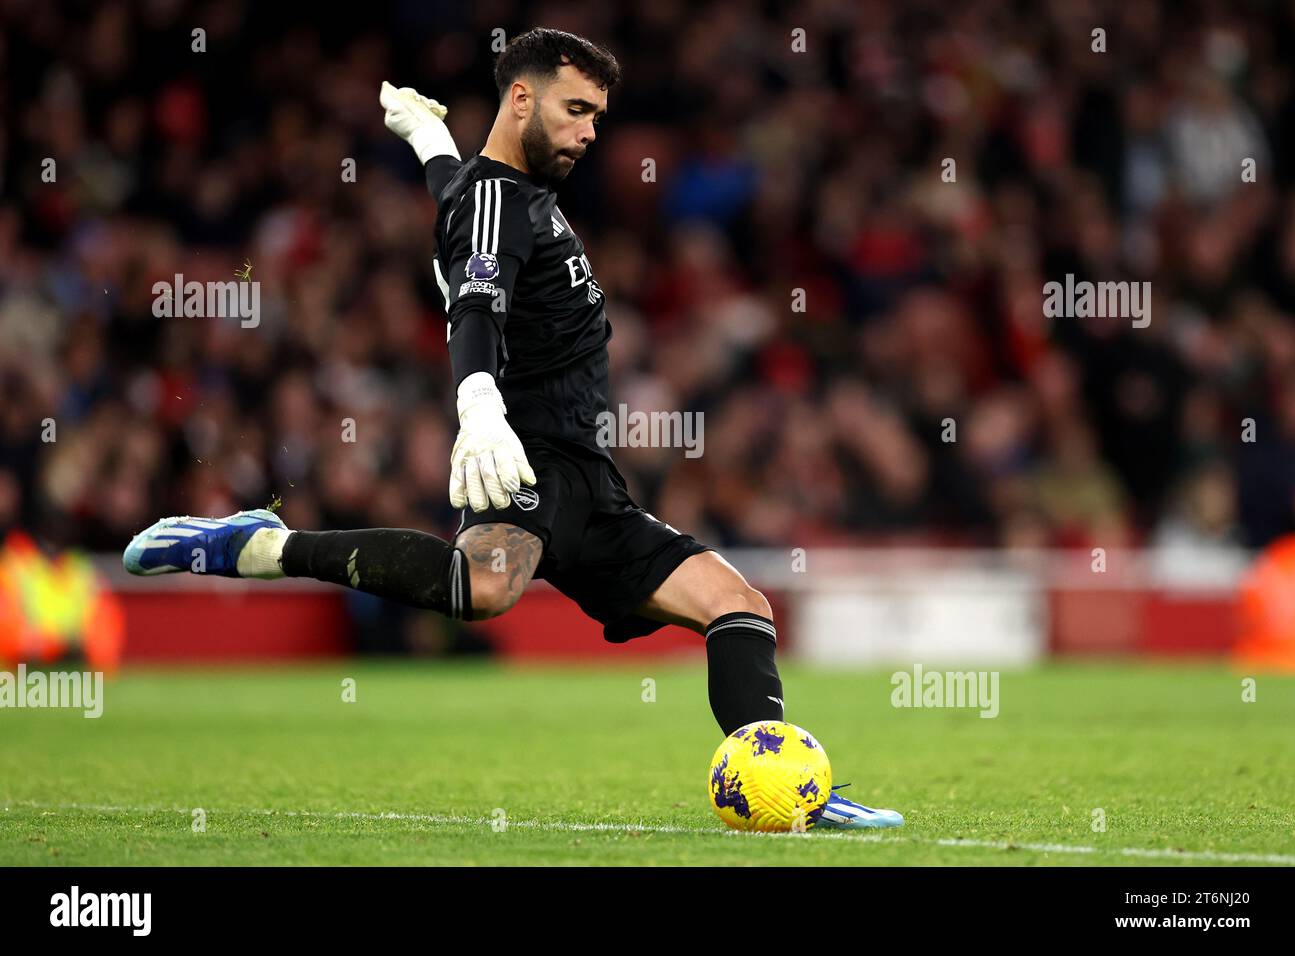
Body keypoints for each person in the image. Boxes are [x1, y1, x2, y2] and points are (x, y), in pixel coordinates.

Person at [124, 27, 902, 830]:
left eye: (597, 116)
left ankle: (791, 791)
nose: (590, 132)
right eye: (574, 110)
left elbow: (463, 208)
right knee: (484, 589)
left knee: (739, 606)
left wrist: (429, 139)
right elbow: (475, 307)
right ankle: (262, 546)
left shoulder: (496, 199)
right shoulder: (497, 200)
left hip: (589, 481)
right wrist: (479, 407)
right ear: (520, 99)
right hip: (527, 458)